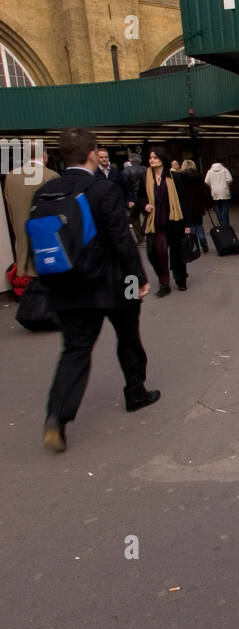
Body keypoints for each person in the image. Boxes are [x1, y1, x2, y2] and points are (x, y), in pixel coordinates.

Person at [37, 127, 159, 451]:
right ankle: (136, 393)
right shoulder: (103, 190)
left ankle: (57, 416)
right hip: (117, 283)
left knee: (75, 351)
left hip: (68, 287)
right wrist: (139, 278)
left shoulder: (46, 192)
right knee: (129, 338)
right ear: (93, 153)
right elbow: (122, 240)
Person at [2, 143, 59, 279]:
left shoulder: (10, 177)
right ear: (44, 155)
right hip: (48, 250)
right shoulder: (52, 176)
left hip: (23, 251)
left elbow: (11, 214)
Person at [143, 146, 190, 296]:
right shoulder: (146, 177)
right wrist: (145, 205)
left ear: (162, 159)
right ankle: (164, 284)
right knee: (157, 254)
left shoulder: (174, 177)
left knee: (177, 252)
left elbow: (183, 201)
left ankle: (180, 279)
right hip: (156, 223)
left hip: (174, 221)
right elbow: (140, 197)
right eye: (150, 158)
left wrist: (187, 224)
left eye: (155, 157)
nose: (152, 160)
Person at [178, 159, 209, 253]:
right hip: (198, 205)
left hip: (186, 206)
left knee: (190, 225)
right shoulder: (199, 176)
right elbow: (204, 190)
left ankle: (193, 244)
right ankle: (203, 243)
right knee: (199, 225)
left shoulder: (180, 177)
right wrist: (208, 204)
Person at [204, 159, 233, 226]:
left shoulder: (210, 171)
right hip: (224, 191)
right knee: (224, 206)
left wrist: (211, 185)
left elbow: (206, 181)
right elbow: (230, 179)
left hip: (215, 191)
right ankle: (225, 223)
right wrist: (226, 184)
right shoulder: (224, 170)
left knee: (217, 206)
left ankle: (220, 222)